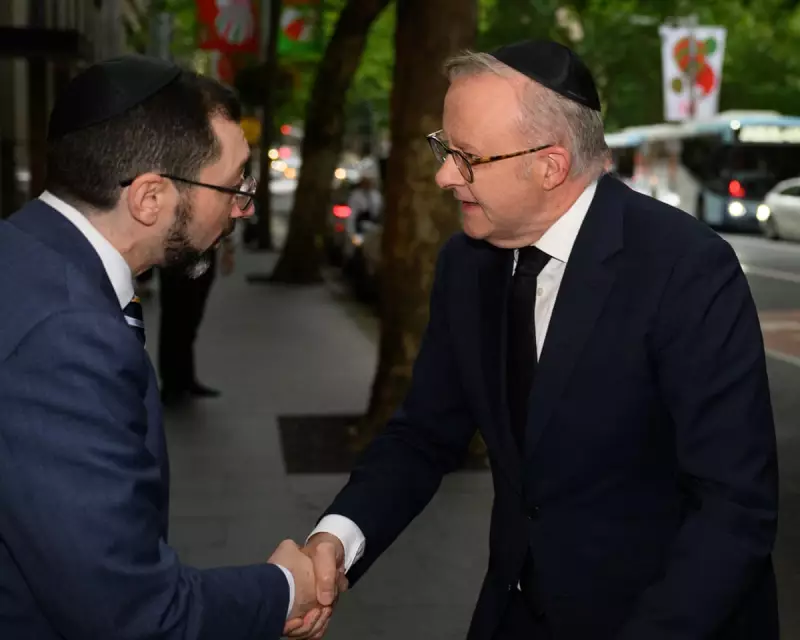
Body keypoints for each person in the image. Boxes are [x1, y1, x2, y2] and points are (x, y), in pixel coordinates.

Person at [299, 40, 780, 640]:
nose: (445, 175)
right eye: (443, 149)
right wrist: (337, 538)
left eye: (467, 157)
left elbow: (733, 509)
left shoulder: (685, 268)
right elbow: (423, 435)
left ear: (550, 165)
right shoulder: (467, 264)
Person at [0, 55, 338, 639]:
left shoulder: (28, 253)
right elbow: (132, 614)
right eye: (233, 185)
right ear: (150, 198)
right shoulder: (66, 335)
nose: (244, 207)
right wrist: (283, 588)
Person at [158, 235, 235, 406]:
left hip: (204, 250)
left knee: (192, 317)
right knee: (174, 317)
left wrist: (228, 248)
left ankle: (185, 378)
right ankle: (171, 382)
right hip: (176, 250)